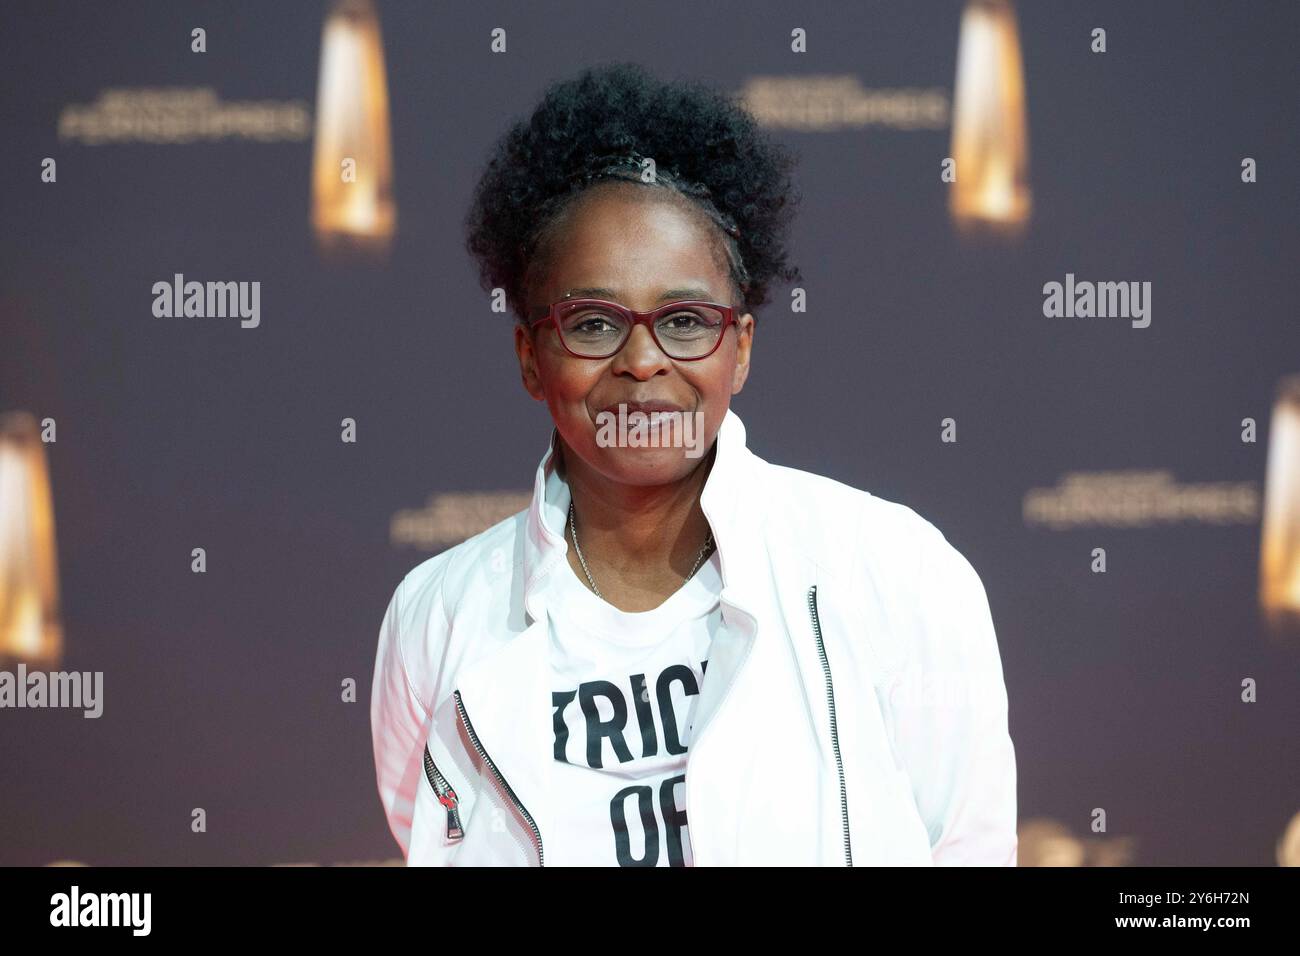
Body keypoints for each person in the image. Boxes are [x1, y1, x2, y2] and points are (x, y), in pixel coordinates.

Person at [370, 62, 1017, 866]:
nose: (643, 361)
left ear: (740, 348)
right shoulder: (438, 617)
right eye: (594, 323)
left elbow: (966, 846)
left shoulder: (894, 573)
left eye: (683, 320)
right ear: (531, 357)